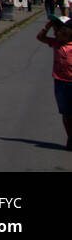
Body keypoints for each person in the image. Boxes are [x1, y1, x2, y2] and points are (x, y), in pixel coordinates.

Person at [35, 15, 72, 151]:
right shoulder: (56, 43)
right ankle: (70, 138)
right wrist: (47, 26)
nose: (56, 34)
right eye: (55, 31)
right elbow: (40, 37)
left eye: (59, 31)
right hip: (60, 82)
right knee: (66, 113)